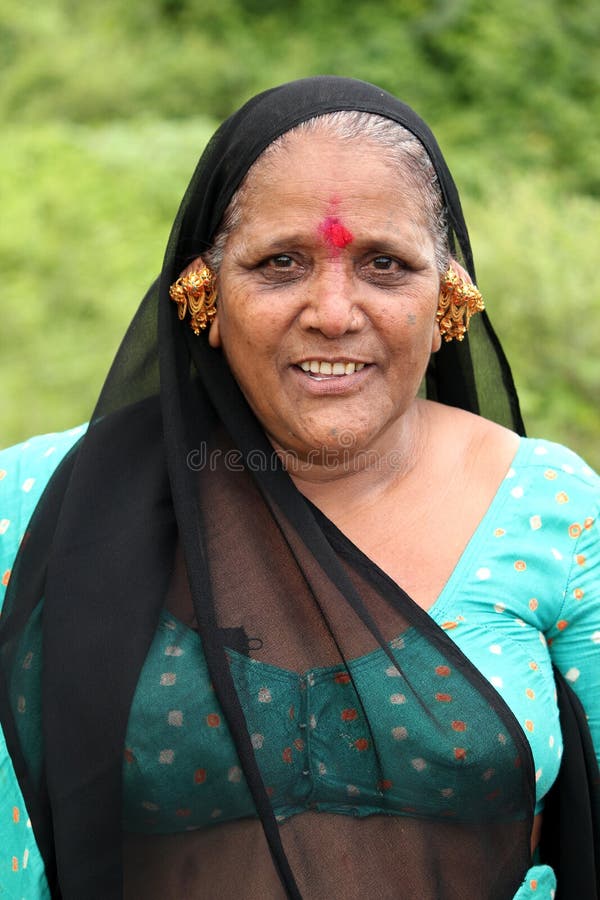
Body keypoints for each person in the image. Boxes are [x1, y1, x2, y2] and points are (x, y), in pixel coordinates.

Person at [0, 76, 598, 900]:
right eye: (281, 263)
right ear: (204, 295)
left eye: (385, 265)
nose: (333, 312)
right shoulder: (40, 501)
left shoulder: (553, 511)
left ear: (448, 299)